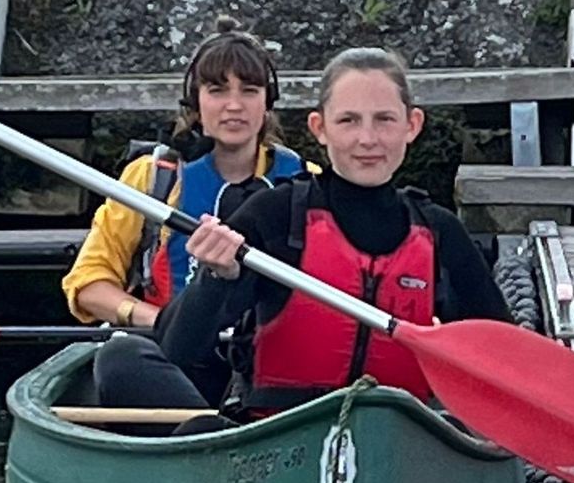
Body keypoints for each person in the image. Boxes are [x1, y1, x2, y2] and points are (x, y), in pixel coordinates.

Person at [100, 46, 510, 424]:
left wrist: (569, 466)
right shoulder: (274, 215)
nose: (367, 139)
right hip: (275, 441)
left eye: (384, 119)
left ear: (411, 125)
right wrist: (215, 278)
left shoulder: (439, 231)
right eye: (348, 121)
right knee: (122, 358)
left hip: (395, 443)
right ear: (320, 128)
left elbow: (510, 365)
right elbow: (178, 348)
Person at [65, 17, 305, 412]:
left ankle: (220, 429)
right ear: (195, 102)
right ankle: (212, 432)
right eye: (217, 90)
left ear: (267, 103)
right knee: (119, 361)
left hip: (269, 361)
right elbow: (87, 284)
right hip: (177, 354)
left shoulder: (302, 182)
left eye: (249, 90)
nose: (233, 105)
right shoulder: (151, 179)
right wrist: (156, 320)